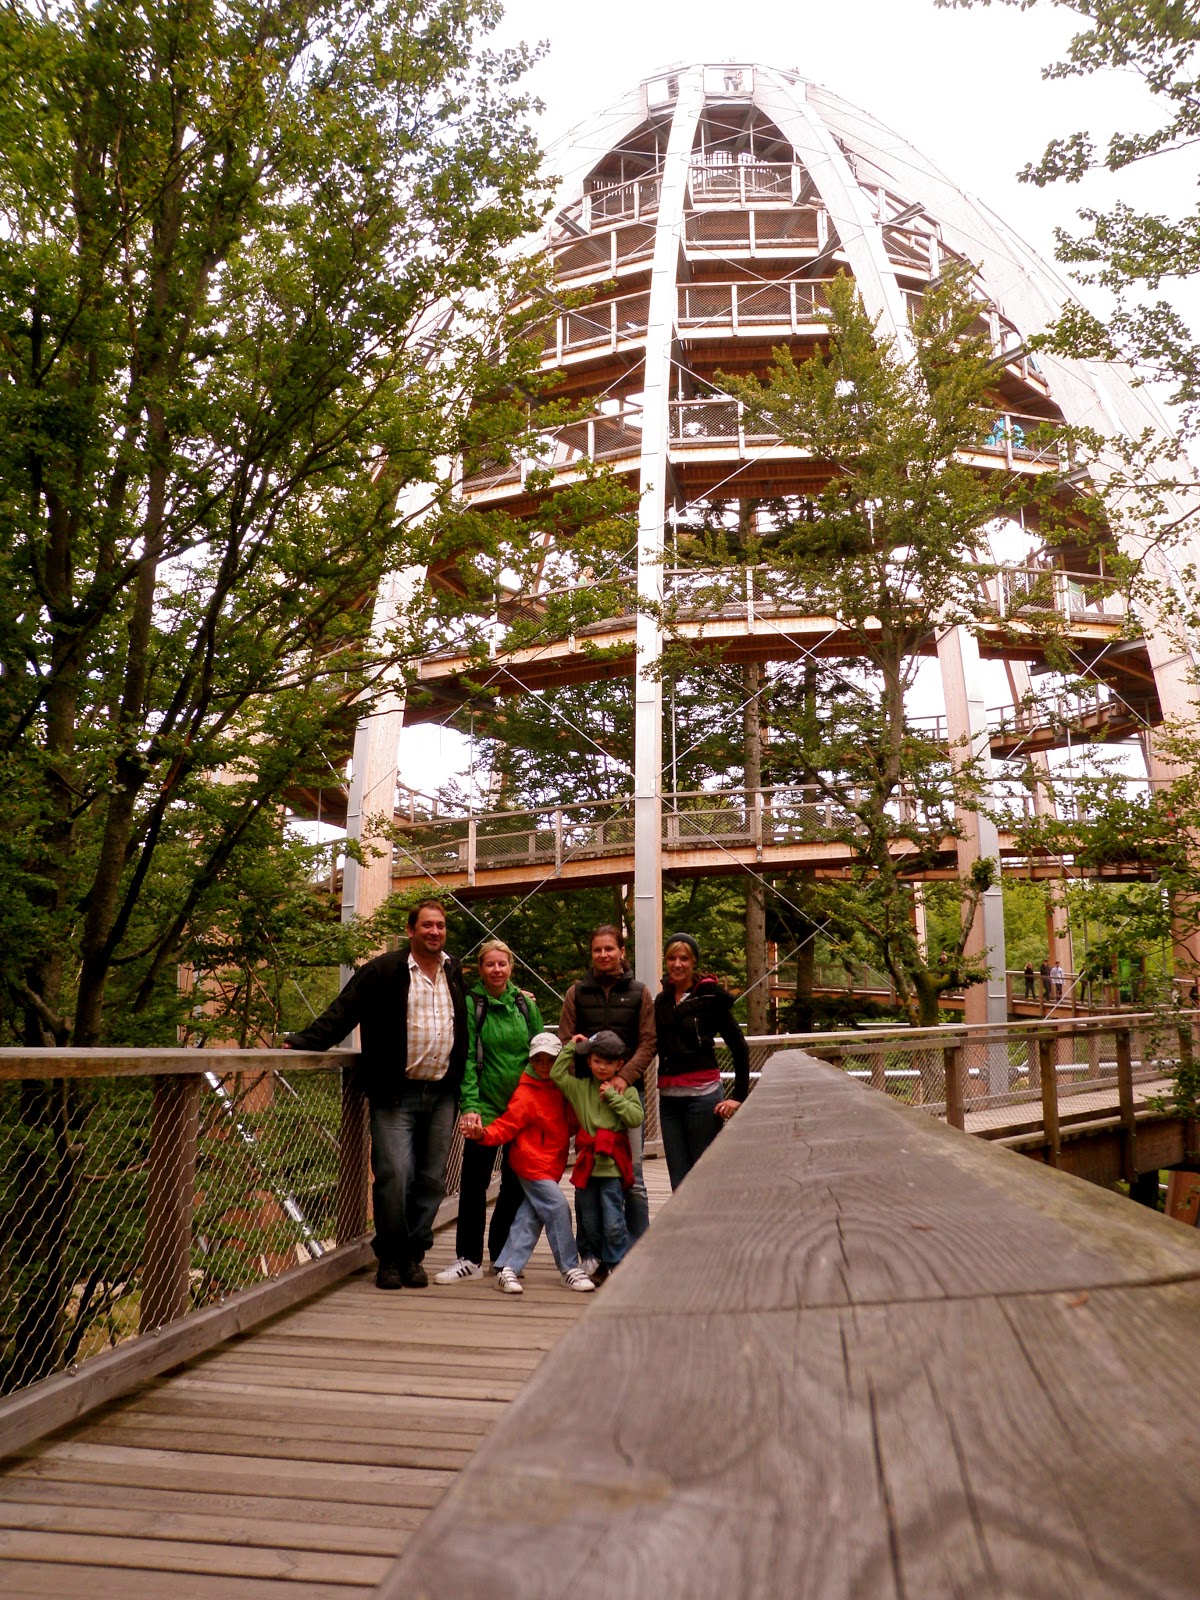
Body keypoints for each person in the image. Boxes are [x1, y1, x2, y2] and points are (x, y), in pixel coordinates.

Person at [284, 900, 466, 1291]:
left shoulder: (454, 971)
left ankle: (413, 1255)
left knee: (433, 1180)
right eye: (427, 926)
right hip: (395, 1093)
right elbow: (345, 1010)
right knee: (394, 1176)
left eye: (440, 926)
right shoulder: (385, 970)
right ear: (411, 929)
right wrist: (305, 1041)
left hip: (441, 1093)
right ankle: (390, 1257)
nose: (435, 932)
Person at [435, 939, 542, 1284]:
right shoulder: (471, 1004)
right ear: (480, 969)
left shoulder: (525, 1005)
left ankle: (502, 1256)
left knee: (514, 1184)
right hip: (486, 1108)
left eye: (503, 964)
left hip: (521, 1108)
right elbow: (465, 1058)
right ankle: (468, 1258)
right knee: (473, 1184)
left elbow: (540, 1054)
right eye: (490, 964)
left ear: (511, 967)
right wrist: (470, 1106)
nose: (497, 970)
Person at [462, 1032, 594, 1295]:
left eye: (550, 1060)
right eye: (538, 1060)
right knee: (557, 1207)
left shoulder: (561, 1088)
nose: (544, 1066)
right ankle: (569, 1268)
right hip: (531, 1164)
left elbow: (569, 1122)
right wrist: (483, 1134)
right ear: (531, 1061)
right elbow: (506, 1125)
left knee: (530, 1217)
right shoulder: (526, 1092)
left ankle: (506, 1268)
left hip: (550, 1164)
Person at [558, 924, 654, 1246]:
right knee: (586, 1173)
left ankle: (638, 1247)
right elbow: (566, 1040)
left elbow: (648, 1042)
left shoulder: (639, 993)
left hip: (627, 1094)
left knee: (634, 1176)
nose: (603, 954)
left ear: (621, 952)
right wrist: (580, 1089)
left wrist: (622, 1078)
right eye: (597, 949)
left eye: (609, 949)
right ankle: (591, 1251)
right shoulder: (576, 993)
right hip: (588, 1098)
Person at [654, 933, 750, 1191]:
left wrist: (738, 1096)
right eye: (672, 958)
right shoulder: (661, 1001)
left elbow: (738, 1045)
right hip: (669, 1099)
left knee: (704, 1175)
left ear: (693, 961)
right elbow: (650, 1044)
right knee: (679, 1180)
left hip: (703, 1096)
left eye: (683, 958)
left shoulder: (710, 999)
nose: (677, 964)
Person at [551, 1030, 644, 1279]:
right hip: (587, 1163)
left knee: (614, 1218)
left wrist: (614, 1097)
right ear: (589, 1061)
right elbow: (556, 1074)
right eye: (597, 1061)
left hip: (611, 1164)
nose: (602, 1068)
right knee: (589, 1218)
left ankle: (615, 1260)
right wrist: (570, 1047)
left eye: (609, 1063)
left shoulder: (627, 1091)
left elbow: (636, 1118)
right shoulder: (580, 1088)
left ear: (619, 1064)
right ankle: (591, 1258)